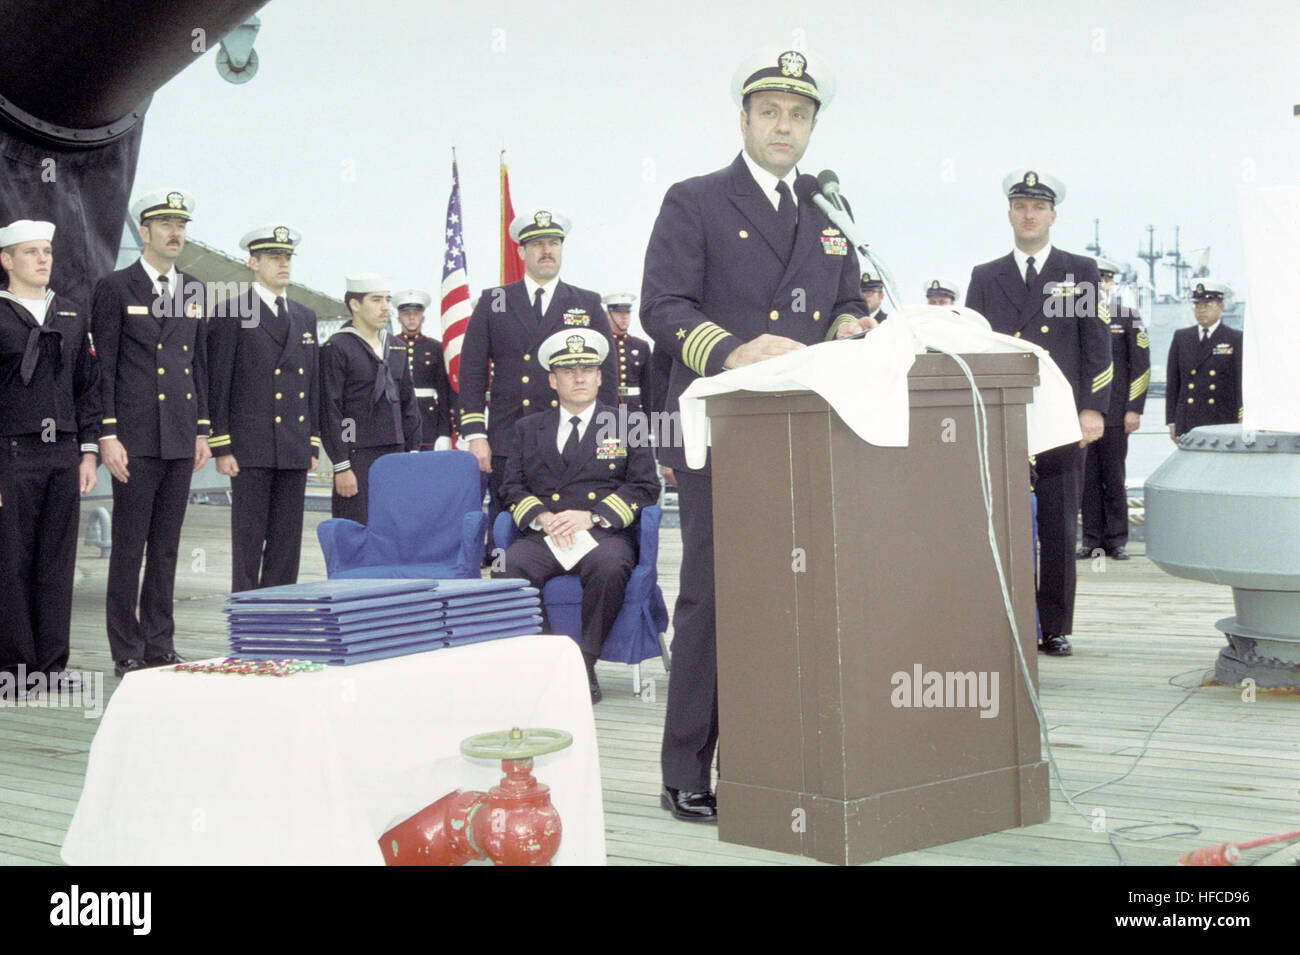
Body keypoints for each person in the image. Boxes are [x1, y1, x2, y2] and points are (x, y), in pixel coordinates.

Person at [641, 46, 871, 822]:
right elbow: (662, 307)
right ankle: (687, 766)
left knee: (794, 596)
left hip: (805, 429)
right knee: (713, 593)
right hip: (725, 426)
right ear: (743, 119)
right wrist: (734, 349)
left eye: (799, 115)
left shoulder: (830, 213)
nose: (784, 126)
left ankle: (770, 754)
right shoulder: (695, 200)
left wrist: (850, 326)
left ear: (812, 129)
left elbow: (844, 303)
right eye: (770, 111)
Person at [965, 169, 1112, 658]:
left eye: (1038, 207)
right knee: (1002, 520)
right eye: (1020, 206)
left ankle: (1054, 626)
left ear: (1052, 215)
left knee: (1056, 524)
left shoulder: (1080, 271)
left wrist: (1092, 409)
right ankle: (1006, 618)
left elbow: (1096, 345)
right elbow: (971, 347)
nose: (1029, 214)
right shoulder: (985, 277)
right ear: (1009, 213)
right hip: (1004, 414)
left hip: (1058, 417)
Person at [494, 328, 660, 703]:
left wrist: (594, 516)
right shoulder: (527, 428)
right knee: (508, 567)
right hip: (547, 534)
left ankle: (583, 664)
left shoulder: (626, 424)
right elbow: (511, 488)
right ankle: (550, 659)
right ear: (553, 380)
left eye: (588, 369)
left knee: (609, 566)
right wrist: (540, 517)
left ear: (600, 377)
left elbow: (645, 487)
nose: (580, 377)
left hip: (602, 534)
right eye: (569, 371)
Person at [92, 188, 210, 679]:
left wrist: (203, 431)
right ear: (144, 231)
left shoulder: (194, 289)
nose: (175, 232)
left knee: (165, 545)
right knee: (129, 545)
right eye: (164, 224)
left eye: (180, 224)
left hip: (180, 438)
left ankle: (160, 643)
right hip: (135, 439)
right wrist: (108, 435)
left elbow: (196, 365)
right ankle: (126, 648)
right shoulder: (116, 288)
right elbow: (105, 370)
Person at [458, 208, 619, 523]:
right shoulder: (494, 300)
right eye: (537, 244)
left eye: (554, 243)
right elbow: (472, 372)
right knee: (507, 521)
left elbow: (607, 374)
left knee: (568, 517)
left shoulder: (586, 302)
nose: (547, 250)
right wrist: (475, 434)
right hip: (508, 433)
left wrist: (606, 431)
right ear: (521, 251)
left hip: (571, 432)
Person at [0, 220, 100, 694]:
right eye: (31, 252)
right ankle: (14, 670)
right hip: (12, 452)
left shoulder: (72, 315)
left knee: (56, 561)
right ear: (6, 260)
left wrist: (88, 452)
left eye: (47, 252)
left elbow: (88, 387)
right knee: (11, 560)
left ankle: (50, 667)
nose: (43, 260)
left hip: (62, 451)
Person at [207, 224, 321, 592]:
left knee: (287, 544)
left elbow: (311, 385)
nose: (283, 264)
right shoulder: (232, 312)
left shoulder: (305, 317)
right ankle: (247, 617)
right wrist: (221, 446)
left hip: (292, 444)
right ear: (253, 263)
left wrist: (312, 441)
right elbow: (218, 383)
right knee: (249, 543)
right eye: (274, 258)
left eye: (286, 258)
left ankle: (279, 616)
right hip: (250, 447)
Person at [318, 273, 421, 523]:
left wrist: (412, 453)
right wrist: (343, 463)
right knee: (356, 529)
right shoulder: (338, 347)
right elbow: (332, 410)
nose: (385, 306)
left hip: (395, 453)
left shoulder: (396, 347)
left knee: (394, 528)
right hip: (357, 454)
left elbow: (408, 405)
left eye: (387, 299)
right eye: (376, 300)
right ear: (355, 304)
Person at [1077, 256, 1149, 561]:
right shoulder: (1075, 318)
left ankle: (1117, 540)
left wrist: (1133, 408)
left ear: (1111, 284)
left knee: (1114, 478)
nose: (1101, 285)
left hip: (1117, 414)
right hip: (1085, 415)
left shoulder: (1127, 317)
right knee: (1087, 480)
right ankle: (1091, 540)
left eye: (1105, 280)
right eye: (1097, 280)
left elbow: (1141, 367)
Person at [1165, 279, 1242, 440]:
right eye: (1197, 305)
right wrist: (1172, 421)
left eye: (1207, 305)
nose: (1201, 310)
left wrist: (1242, 416)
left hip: (1223, 420)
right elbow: (1173, 383)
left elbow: (1241, 382)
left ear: (1220, 307)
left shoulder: (1235, 338)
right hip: (1188, 420)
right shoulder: (1181, 337)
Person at [393, 288, 452, 451]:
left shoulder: (435, 347)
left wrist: (445, 432)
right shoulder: (390, 346)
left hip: (428, 421)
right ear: (398, 318)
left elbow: (444, 392)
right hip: (398, 421)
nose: (411, 318)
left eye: (416, 313)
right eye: (406, 314)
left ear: (423, 318)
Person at [601, 292, 654, 417]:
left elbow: (648, 387)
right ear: (607, 314)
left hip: (634, 408)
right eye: (619, 312)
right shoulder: (601, 345)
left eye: (627, 312)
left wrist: (649, 417)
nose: (624, 317)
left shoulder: (641, 346)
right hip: (607, 408)